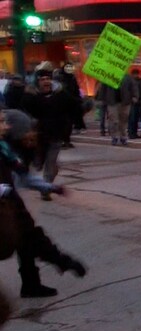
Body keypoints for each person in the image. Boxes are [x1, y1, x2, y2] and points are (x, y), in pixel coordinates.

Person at [0, 109, 86, 298]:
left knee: (27, 241)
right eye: (1, 122)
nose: (5, 126)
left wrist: (51, 188)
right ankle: (61, 263)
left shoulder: (9, 151)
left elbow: (25, 177)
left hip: (11, 204)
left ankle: (31, 284)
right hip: (6, 205)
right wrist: (4, 190)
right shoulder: (7, 151)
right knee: (29, 238)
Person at [21, 65, 76, 198]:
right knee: (39, 163)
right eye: (42, 79)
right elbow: (25, 113)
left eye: (48, 79)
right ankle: (44, 181)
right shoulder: (32, 96)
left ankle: (45, 190)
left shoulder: (61, 95)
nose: (46, 81)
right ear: (38, 81)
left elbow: (72, 108)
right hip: (38, 136)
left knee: (50, 164)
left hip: (56, 134)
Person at [95, 73, 139, 146]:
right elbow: (103, 88)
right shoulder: (108, 77)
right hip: (112, 102)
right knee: (114, 120)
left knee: (123, 121)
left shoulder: (127, 77)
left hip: (125, 102)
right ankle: (114, 136)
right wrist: (101, 99)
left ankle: (123, 136)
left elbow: (134, 87)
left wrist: (135, 96)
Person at [57, 63, 83, 147]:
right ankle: (64, 140)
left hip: (72, 103)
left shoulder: (72, 77)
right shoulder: (61, 78)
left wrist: (78, 98)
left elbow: (76, 88)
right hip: (63, 103)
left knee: (69, 123)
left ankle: (66, 140)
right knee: (64, 123)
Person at [127, 68, 141, 139]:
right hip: (132, 102)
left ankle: (134, 133)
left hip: (138, 101)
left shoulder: (139, 81)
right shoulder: (129, 81)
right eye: (136, 74)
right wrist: (131, 98)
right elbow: (126, 91)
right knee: (132, 118)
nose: (137, 75)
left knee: (136, 119)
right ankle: (131, 133)